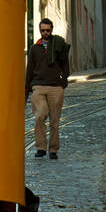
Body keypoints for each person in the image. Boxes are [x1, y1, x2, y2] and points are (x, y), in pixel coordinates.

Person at [25, 19, 70, 160]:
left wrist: (63, 81)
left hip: (56, 87)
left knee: (55, 120)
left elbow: (65, 64)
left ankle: (53, 150)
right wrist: (27, 87)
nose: (45, 33)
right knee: (40, 115)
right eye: (43, 30)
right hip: (38, 86)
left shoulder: (58, 45)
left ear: (51, 30)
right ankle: (40, 148)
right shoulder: (34, 48)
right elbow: (30, 69)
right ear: (40, 31)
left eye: (48, 30)